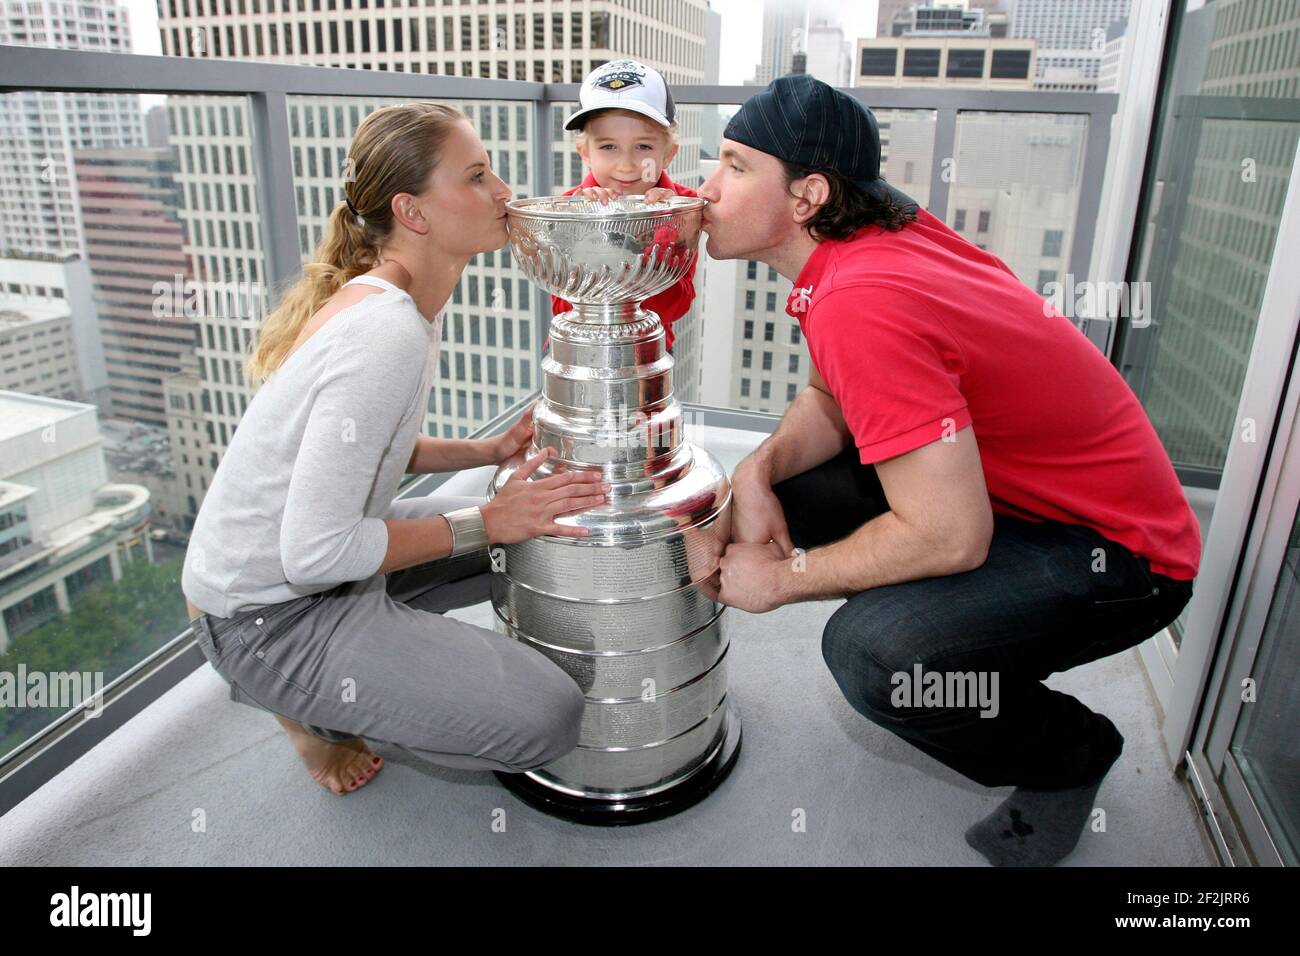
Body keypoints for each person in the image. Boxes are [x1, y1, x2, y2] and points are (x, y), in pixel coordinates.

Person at [697, 75, 1202, 866]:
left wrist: (789, 576)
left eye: (733, 164)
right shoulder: (871, 239)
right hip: (1016, 493)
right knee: (792, 488)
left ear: (807, 196)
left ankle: (1071, 749)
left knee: (881, 657)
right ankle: (946, 606)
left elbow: (951, 534)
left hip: (1124, 555)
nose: (706, 187)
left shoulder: (862, 299)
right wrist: (755, 471)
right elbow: (835, 396)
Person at [181, 102, 609, 796]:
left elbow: (366, 447)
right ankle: (310, 711)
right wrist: (487, 522)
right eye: (476, 177)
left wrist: (488, 451)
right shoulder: (387, 331)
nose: (504, 192)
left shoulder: (392, 301)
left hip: (317, 575)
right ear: (413, 212)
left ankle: (370, 662)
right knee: (547, 717)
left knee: (540, 529)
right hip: (268, 619)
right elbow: (314, 553)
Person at [545, 59, 699, 356]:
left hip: (646, 351)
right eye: (608, 147)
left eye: (643, 147)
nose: (626, 164)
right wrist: (591, 229)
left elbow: (676, 305)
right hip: (574, 349)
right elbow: (563, 306)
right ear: (584, 153)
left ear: (668, 154)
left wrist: (662, 226)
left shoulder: (684, 206)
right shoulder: (569, 206)